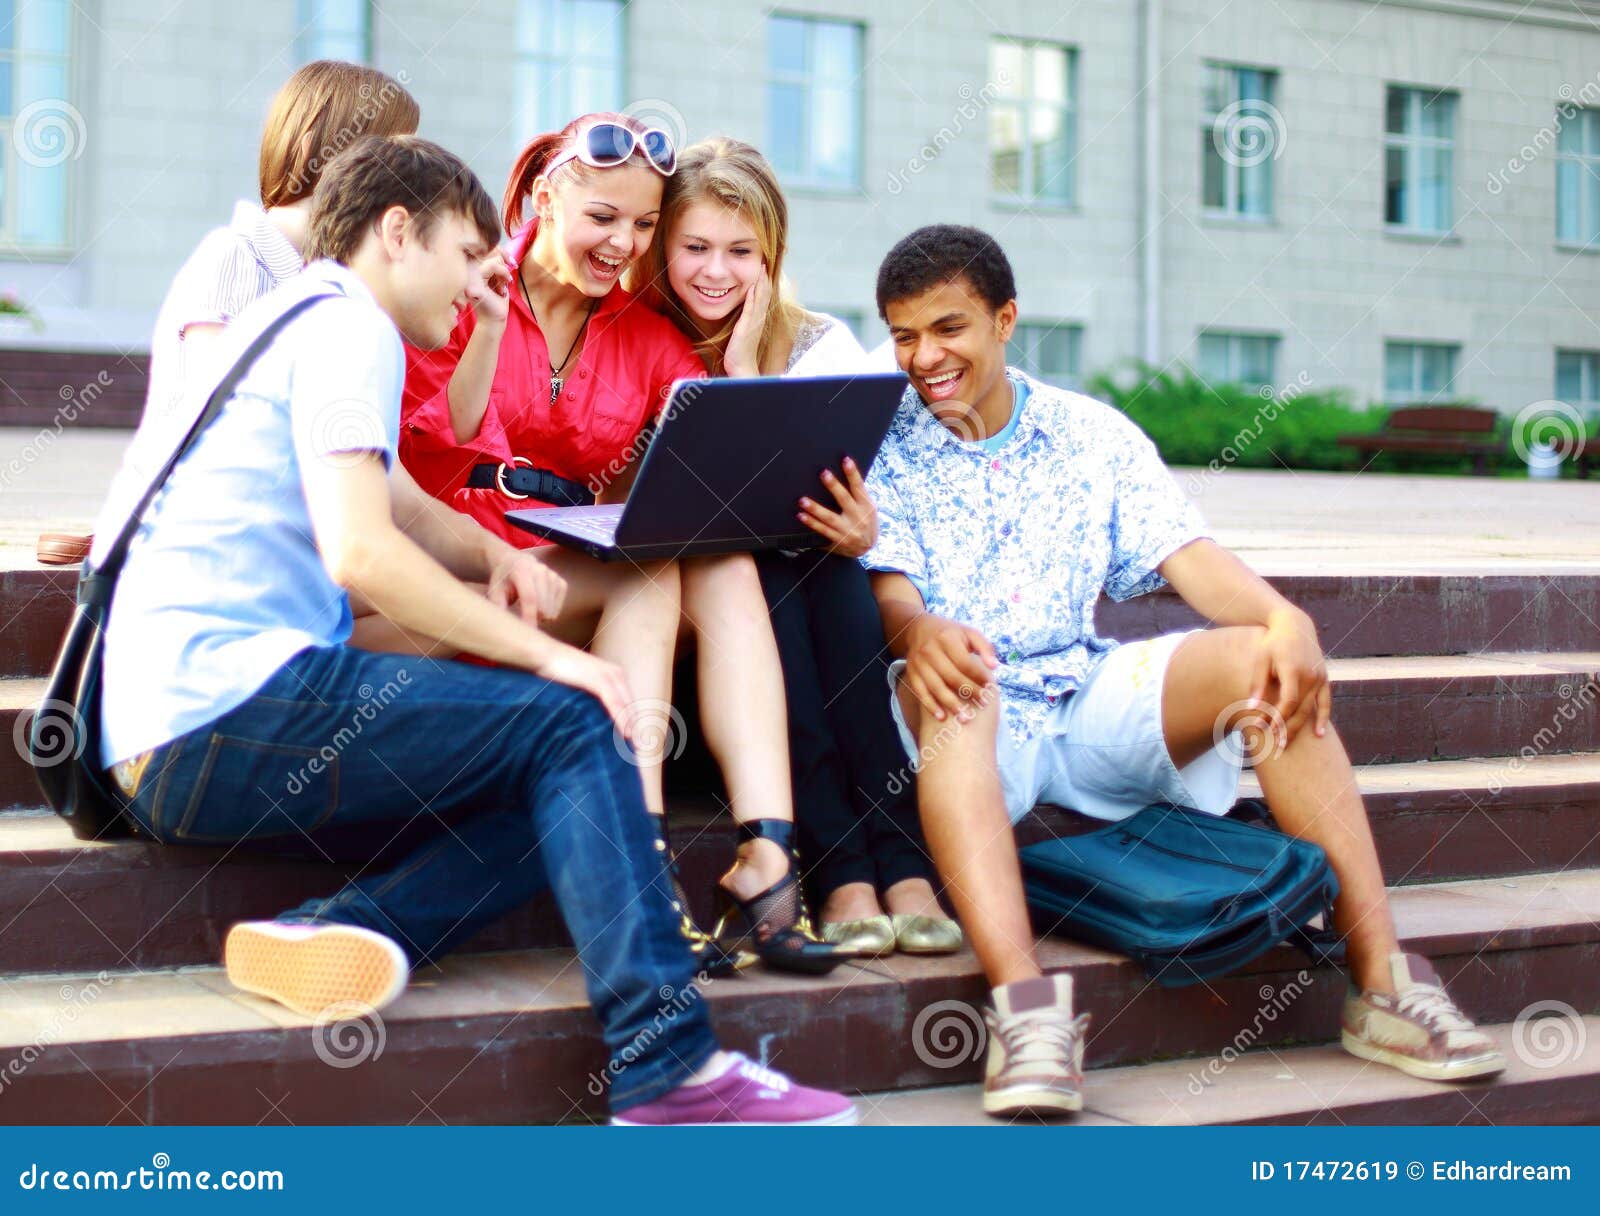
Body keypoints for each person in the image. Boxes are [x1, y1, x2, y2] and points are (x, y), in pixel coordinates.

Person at [89, 134, 855, 1126]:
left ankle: (344, 929)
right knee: (579, 725)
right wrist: (547, 655)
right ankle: (667, 1065)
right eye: (464, 253)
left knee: (577, 798)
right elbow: (361, 552)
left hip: (173, 737)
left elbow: (398, 500)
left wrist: (493, 555)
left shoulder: (301, 318)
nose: (475, 282)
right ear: (397, 231)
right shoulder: (347, 325)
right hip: (221, 706)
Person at [863, 223, 1507, 1119]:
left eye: (948, 328)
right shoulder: (883, 439)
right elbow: (891, 593)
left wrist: (1286, 618)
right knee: (959, 689)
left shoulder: (1090, 434)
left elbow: (1190, 558)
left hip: (1079, 694)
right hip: (965, 722)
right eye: (904, 335)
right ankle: (1027, 1012)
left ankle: (1383, 980)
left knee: (1265, 661)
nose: (924, 357)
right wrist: (916, 628)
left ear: (1005, 320)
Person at [401, 114, 843, 975]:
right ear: (542, 196)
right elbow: (438, 447)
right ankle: (643, 871)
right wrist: (488, 328)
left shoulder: (645, 332)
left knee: (715, 552)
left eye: (644, 227)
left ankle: (767, 853)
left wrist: (744, 362)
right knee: (650, 567)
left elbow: (731, 478)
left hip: (561, 595)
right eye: (604, 218)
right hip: (447, 589)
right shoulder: (462, 292)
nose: (624, 244)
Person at [632, 136, 960, 958]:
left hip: (815, 595)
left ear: (772, 257)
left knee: (826, 559)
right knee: (776, 566)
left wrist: (863, 526)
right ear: (665, 246)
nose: (717, 271)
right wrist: (734, 374)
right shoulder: (638, 343)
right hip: (697, 637)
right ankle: (851, 866)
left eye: (741, 252)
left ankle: (892, 860)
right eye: (696, 247)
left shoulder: (819, 345)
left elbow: (839, 492)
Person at [89, 61, 419, 566]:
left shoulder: (335, 284)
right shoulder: (235, 256)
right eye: (397, 157)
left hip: (270, 552)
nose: (411, 183)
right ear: (332, 151)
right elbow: (224, 420)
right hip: (188, 558)